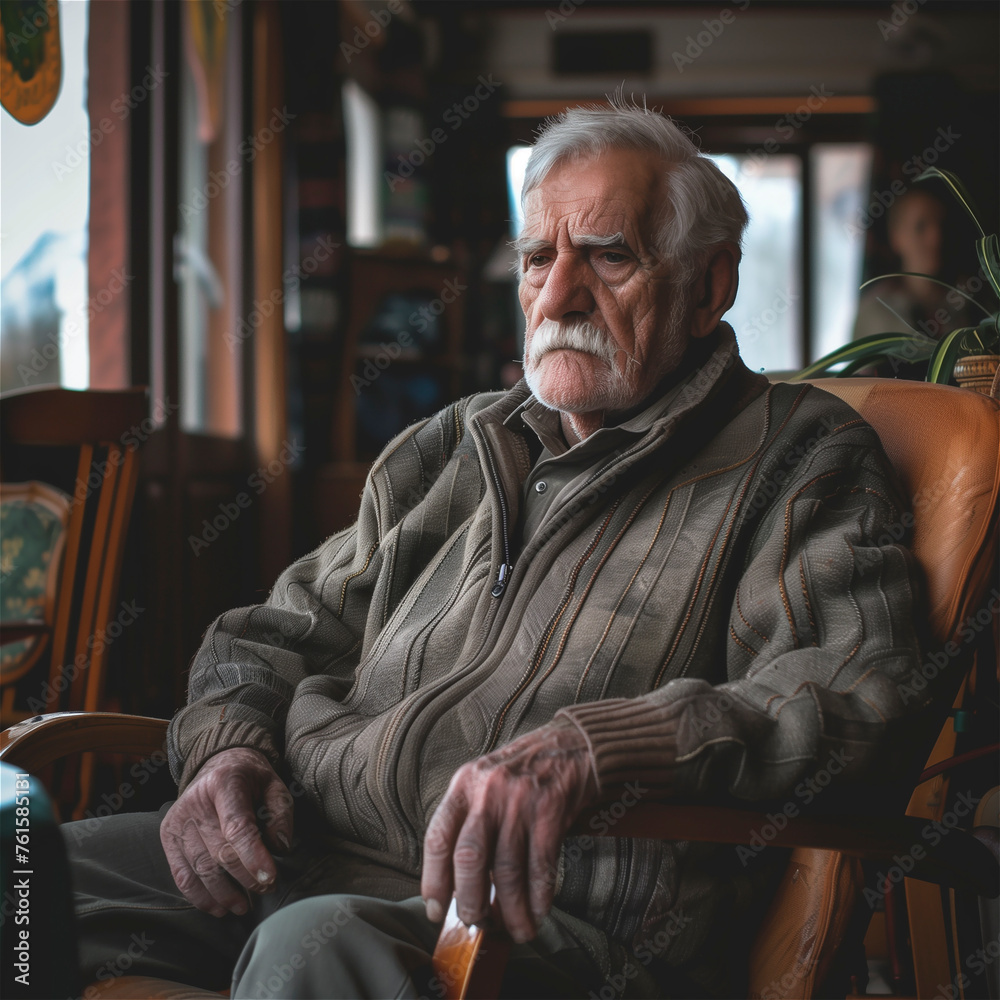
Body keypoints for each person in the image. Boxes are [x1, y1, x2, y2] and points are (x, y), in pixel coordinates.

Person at [65, 101, 926, 1000]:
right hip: (299, 851)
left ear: (709, 288)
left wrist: (597, 750)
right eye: (539, 259)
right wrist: (227, 752)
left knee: (312, 950)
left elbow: (858, 694)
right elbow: (275, 632)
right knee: (29, 874)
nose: (558, 297)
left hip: (541, 918)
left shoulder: (797, 455)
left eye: (610, 256)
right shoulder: (456, 443)